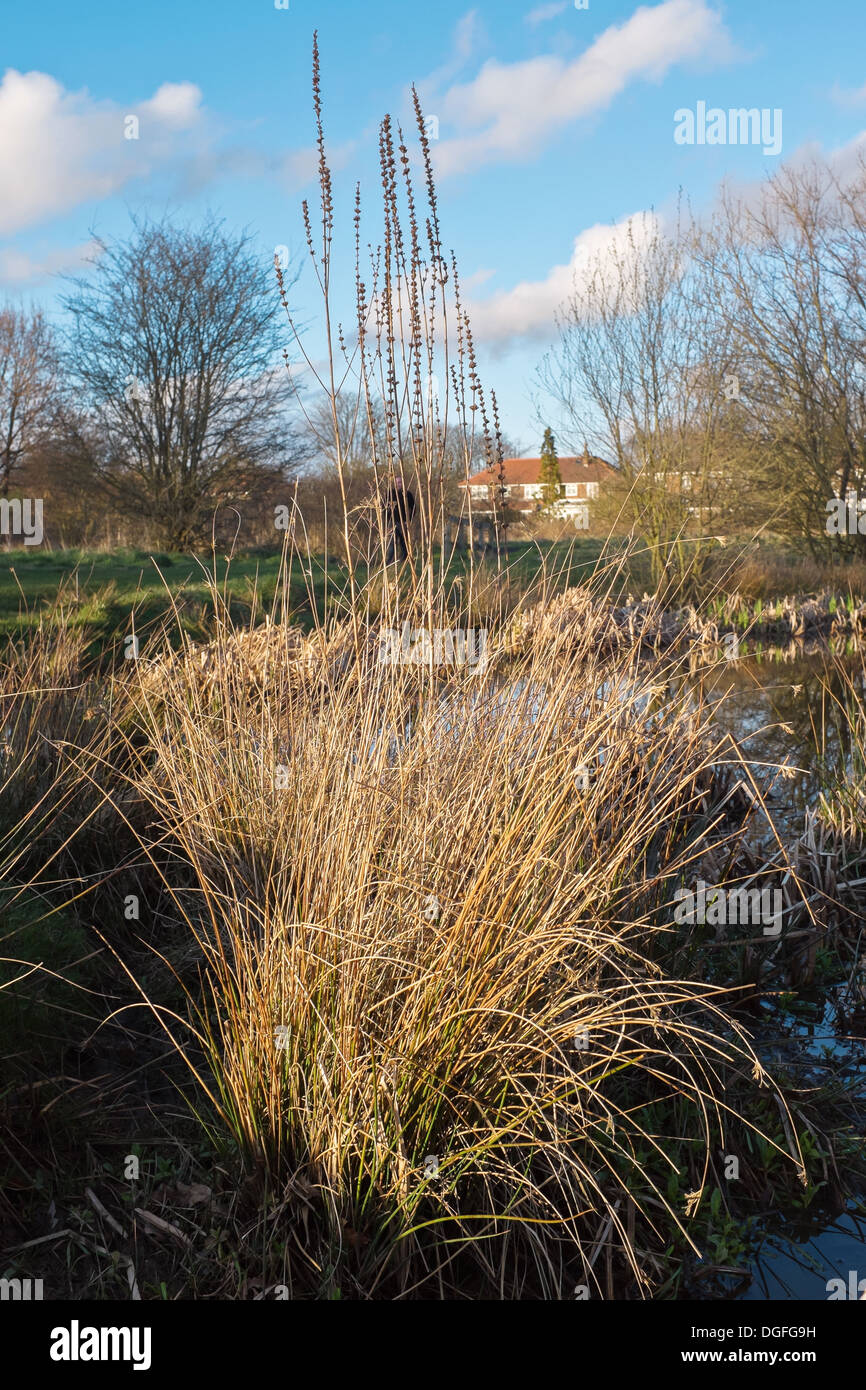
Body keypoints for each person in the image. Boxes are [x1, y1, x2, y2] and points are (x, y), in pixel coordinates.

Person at [384, 475, 416, 563]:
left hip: (403, 523)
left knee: (404, 542)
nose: (399, 484)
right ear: (394, 483)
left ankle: (404, 560)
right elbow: (384, 508)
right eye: (397, 482)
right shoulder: (390, 493)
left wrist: (408, 521)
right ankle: (389, 561)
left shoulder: (407, 494)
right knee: (391, 543)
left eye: (401, 482)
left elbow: (413, 508)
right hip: (392, 522)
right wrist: (387, 521)